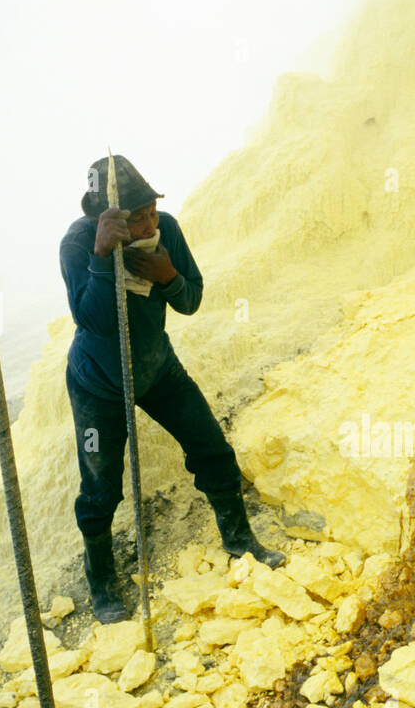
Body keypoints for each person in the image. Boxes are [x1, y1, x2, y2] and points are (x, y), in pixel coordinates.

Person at [60, 154, 284, 624]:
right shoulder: (79, 244)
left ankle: (240, 539)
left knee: (213, 450)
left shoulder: (168, 230)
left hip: (157, 368)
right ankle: (101, 582)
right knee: (100, 487)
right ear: (107, 220)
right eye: (135, 216)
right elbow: (95, 321)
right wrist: (103, 258)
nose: (148, 222)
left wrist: (168, 276)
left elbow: (192, 299)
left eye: (151, 210)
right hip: (98, 383)